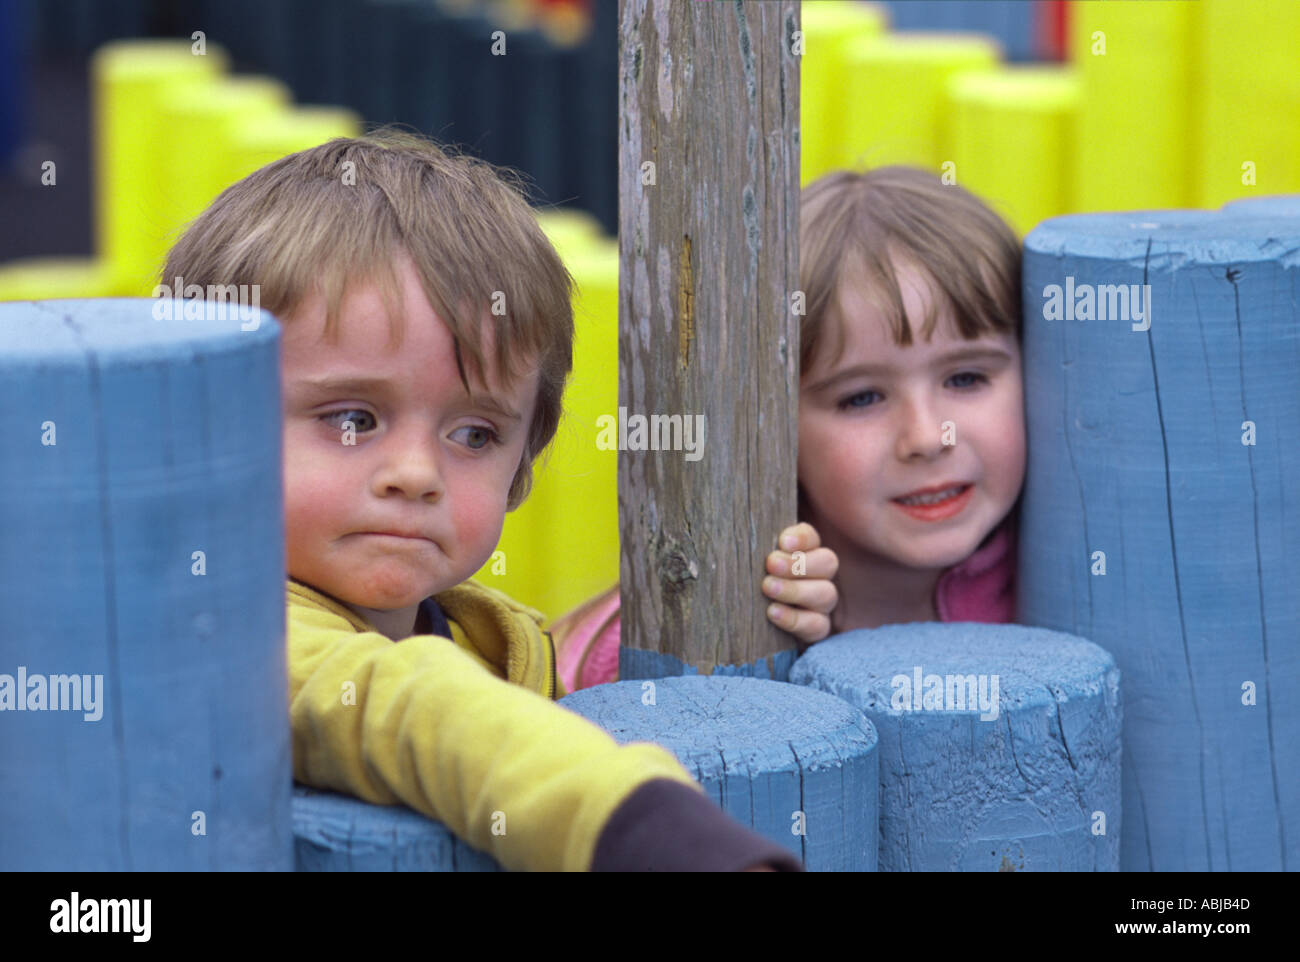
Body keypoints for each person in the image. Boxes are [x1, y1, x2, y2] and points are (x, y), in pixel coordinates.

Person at [160, 128, 811, 871]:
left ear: (521, 466)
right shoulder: (233, 632)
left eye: (473, 434)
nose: (416, 473)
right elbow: (417, 708)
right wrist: (648, 833)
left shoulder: (488, 640)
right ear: (209, 427)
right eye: (352, 419)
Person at [555, 166, 1023, 691]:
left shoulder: (1068, 571)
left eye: (965, 378)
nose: (927, 438)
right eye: (861, 397)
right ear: (771, 430)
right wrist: (739, 635)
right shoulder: (710, 595)